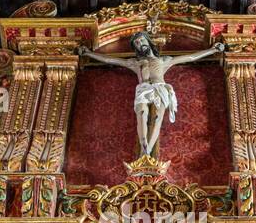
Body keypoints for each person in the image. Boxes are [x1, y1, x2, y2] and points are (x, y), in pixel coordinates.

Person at [77, 32, 226, 156]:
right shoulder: (136, 63)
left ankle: (148, 151)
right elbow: (110, 60)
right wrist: (89, 53)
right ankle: (144, 146)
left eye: (141, 39)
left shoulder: (164, 61)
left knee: (157, 117)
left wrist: (213, 50)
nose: (139, 43)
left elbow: (190, 57)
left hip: (159, 88)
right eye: (136, 42)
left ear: (148, 41)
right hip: (143, 89)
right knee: (141, 113)